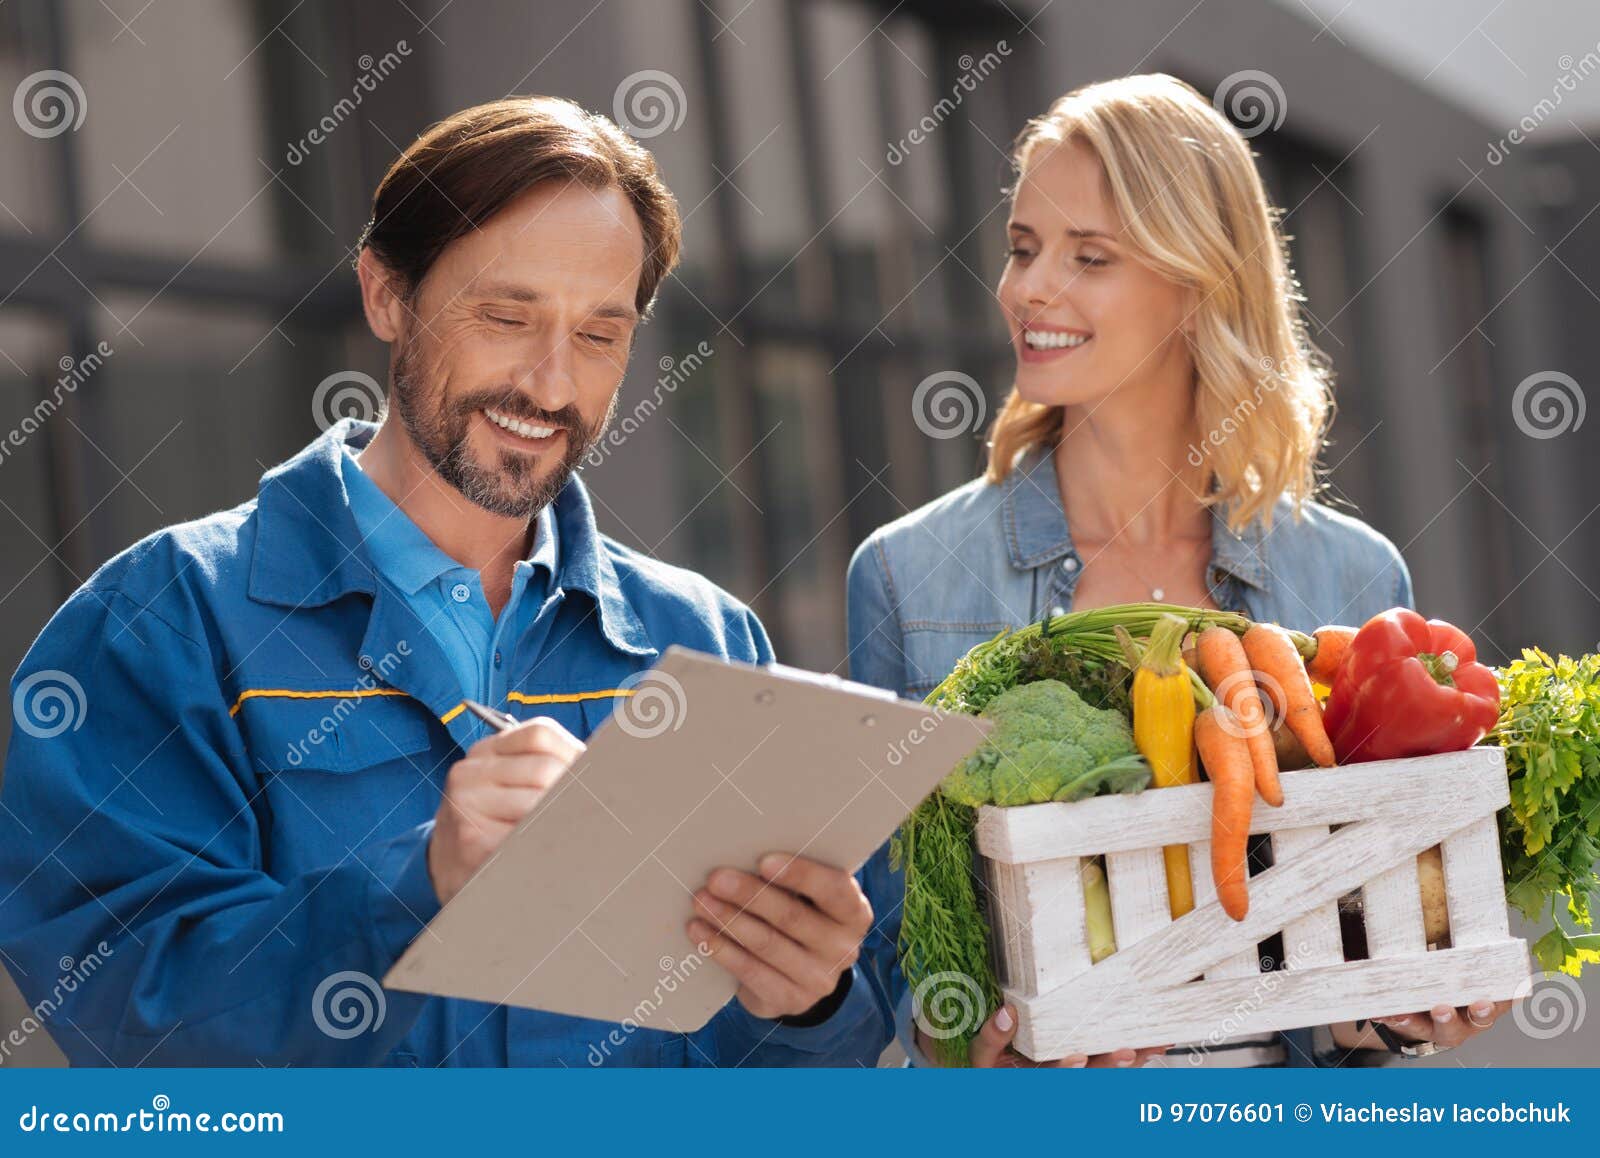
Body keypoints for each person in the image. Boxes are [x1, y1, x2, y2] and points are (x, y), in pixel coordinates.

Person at [0, 97, 890, 1067]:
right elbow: (133, 1023)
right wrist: (418, 883)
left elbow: (782, 1074)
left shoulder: (704, 640)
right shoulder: (164, 625)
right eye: (506, 316)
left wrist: (809, 1006)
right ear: (386, 294)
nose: (552, 387)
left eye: (600, 335)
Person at [847, 74, 1510, 1069]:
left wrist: (1390, 1014)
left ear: (1196, 285)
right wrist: (975, 1057)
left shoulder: (1349, 577)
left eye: (1089, 257)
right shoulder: (910, 578)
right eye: (1024, 248)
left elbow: (1360, 941)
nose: (1029, 288)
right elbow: (886, 959)